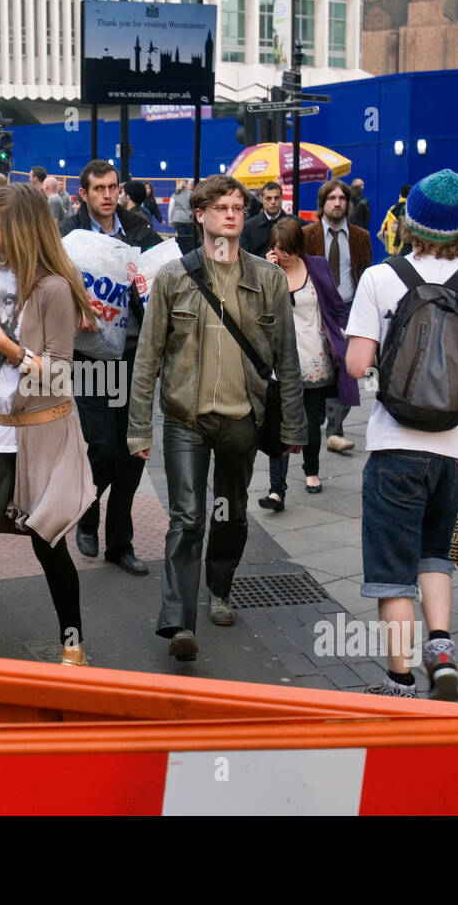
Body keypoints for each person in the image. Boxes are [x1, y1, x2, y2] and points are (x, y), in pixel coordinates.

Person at [344, 169, 458, 700]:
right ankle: (440, 647)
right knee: (435, 552)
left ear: (409, 223)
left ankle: (399, 681)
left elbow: (355, 365)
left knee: (392, 567)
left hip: (396, 443)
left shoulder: (380, 277)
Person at [129, 174, 309, 661]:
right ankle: (179, 621)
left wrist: (293, 428)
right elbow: (147, 358)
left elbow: (287, 359)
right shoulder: (172, 277)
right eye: (221, 207)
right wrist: (139, 427)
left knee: (228, 512)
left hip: (242, 419)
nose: (231, 214)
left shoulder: (267, 278)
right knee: (186, 517)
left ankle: (222, 588)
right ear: (201, 215)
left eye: (237, 207)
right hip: (186, 418)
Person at [0, 183, 99, 662]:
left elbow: (58, 370)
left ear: (14, 225)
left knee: (46, 542)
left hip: (39, 431)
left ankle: (73, 644)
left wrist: (2, 341)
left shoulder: (55, 288)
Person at [59, 160, 163, 575]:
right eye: (99, 188)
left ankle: (120, 542)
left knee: (132, 451)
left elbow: (163, 276)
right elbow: (48, 278)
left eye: (113, 187)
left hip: (133, 354)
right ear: (83, 194)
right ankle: (86, 511)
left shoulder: (138, 228)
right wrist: (77, 303)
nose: (107, 194)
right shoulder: (69, 233)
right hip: (88, 356)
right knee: (101, 445)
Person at [258, 218, 357, 507]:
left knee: (311, 424)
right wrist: (269, 271)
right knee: (280, 424)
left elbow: (335, 304)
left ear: (298, 247)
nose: (284, 254)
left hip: (314, 357)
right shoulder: (268, 272)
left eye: (288, 249)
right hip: (280, 362)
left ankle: (311, 470)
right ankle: (277, 490)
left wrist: (346, 336)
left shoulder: (317, 266)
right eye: (278, 248)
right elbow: (259, 311)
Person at [304, 178, 373, 454]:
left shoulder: (360, 236)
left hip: (349, 308)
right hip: (316, 309)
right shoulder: (307, 235)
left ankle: (335, 429)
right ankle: (318, 416)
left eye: (342, 199)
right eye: (331, 199)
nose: (337, 203)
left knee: (348, 367)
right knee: (321, 367)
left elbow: (365, 272)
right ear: (322, 204)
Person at [239, 181, 293, 258]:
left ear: (282, 198)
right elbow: (244, 259)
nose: (273, 202)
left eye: (276, 198)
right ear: (261, 199)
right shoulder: (248, 227)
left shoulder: (296, 223)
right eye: (268, 198)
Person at [377, 184, 412, 257]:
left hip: (395, 247)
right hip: (409, 246)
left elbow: (384, 227)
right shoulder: (413, 209)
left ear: (400, 195)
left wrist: (395, 246)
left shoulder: (393, 209)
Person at [169, 179, 196, 254]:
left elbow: (171, 209)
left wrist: (170, 220)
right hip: (189, 220)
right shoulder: (191, 194)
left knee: (182, 239)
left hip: (177, 220)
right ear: (186, 185)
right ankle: (191, 254)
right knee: (190, 238)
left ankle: (183, 254)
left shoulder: (175, 195)